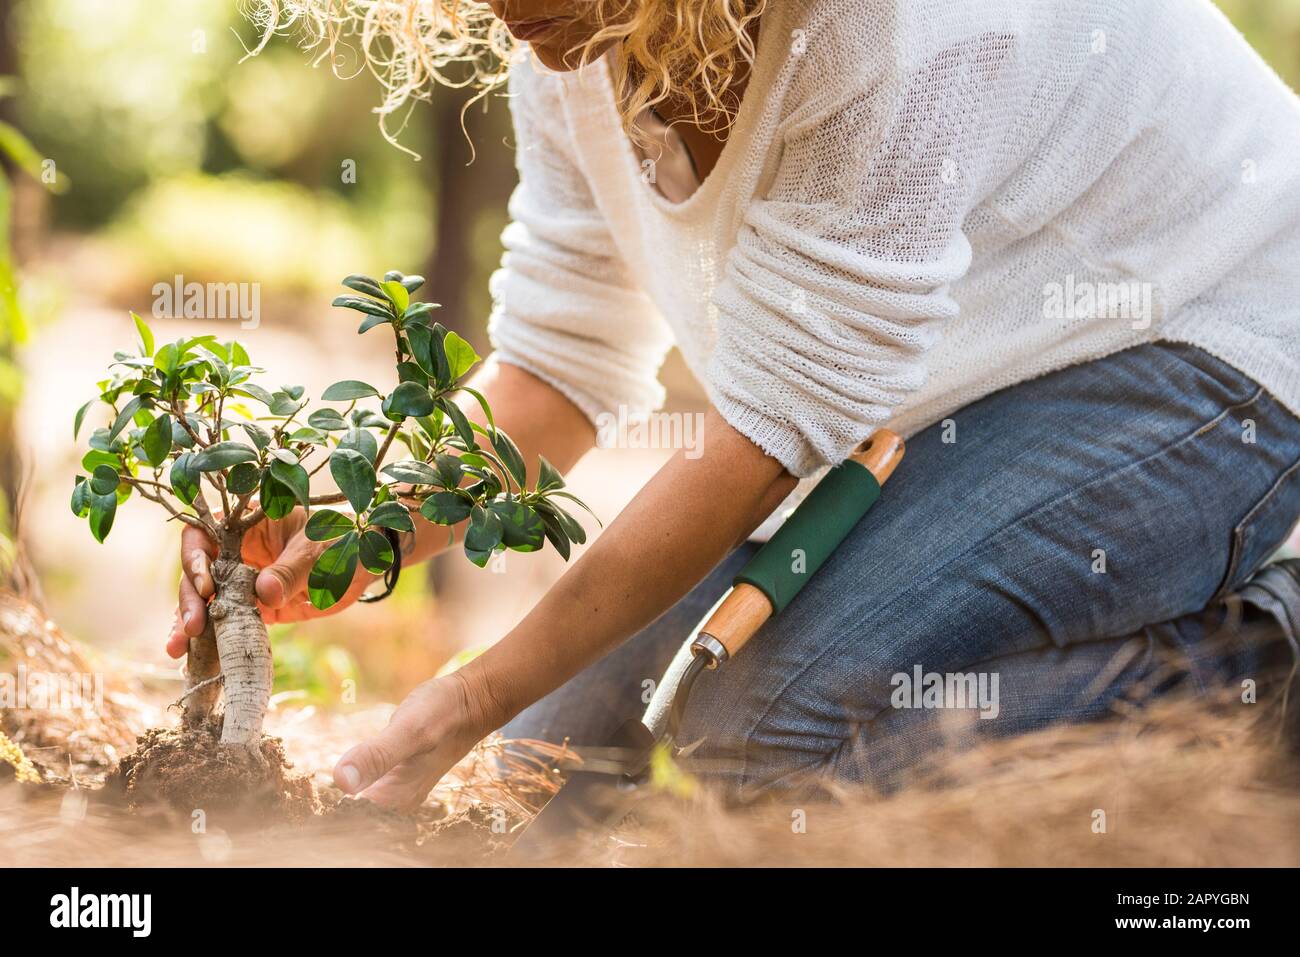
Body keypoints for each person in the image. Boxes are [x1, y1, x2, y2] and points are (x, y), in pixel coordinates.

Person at [171, 0, 1300, 807]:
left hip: (1204, 340)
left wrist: (465, 697)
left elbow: (762, 439)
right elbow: (558, 367)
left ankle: (1255, 671)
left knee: (759, 754)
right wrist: (341, 534)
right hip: (926, 405)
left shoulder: (893, 31)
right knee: (557, 775)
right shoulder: (566, 38)